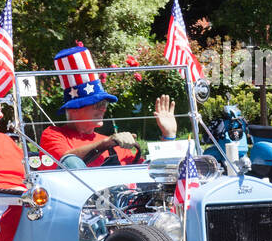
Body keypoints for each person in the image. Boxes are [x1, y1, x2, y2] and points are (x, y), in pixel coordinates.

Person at [38, 45, 177, 169]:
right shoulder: (53, 135)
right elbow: (65, 163)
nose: (103, 108)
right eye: (97, 104)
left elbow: (149, 171)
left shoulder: (113, 142)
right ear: (73, 108)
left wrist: (168, 136)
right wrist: (105, 144)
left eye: (104, 103)